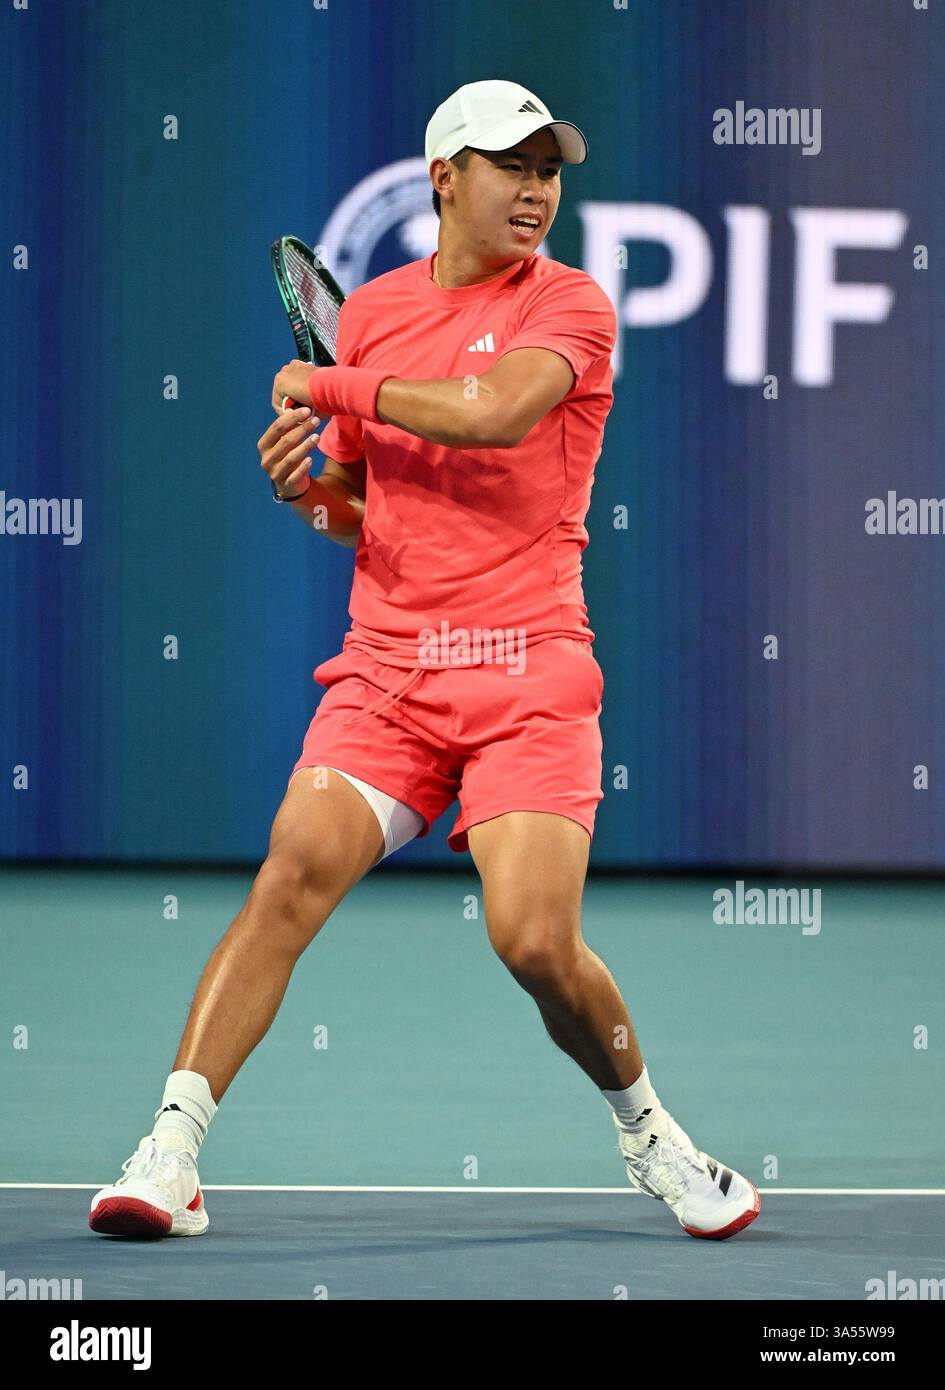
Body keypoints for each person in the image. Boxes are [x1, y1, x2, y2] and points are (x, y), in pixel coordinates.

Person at [90, 80, 759, 1242]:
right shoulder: (375, 314)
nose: (539, 187)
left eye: (551, 168)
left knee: (534, 941)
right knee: (292, 869)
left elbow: (493, 413)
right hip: (391, 671)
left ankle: (651, 1133)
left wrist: (328, 383)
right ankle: (171, 1148)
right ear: (444, 176)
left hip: (529, 669)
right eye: (513, 164)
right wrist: (306, 483)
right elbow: (362, 506)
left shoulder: (576, 305)